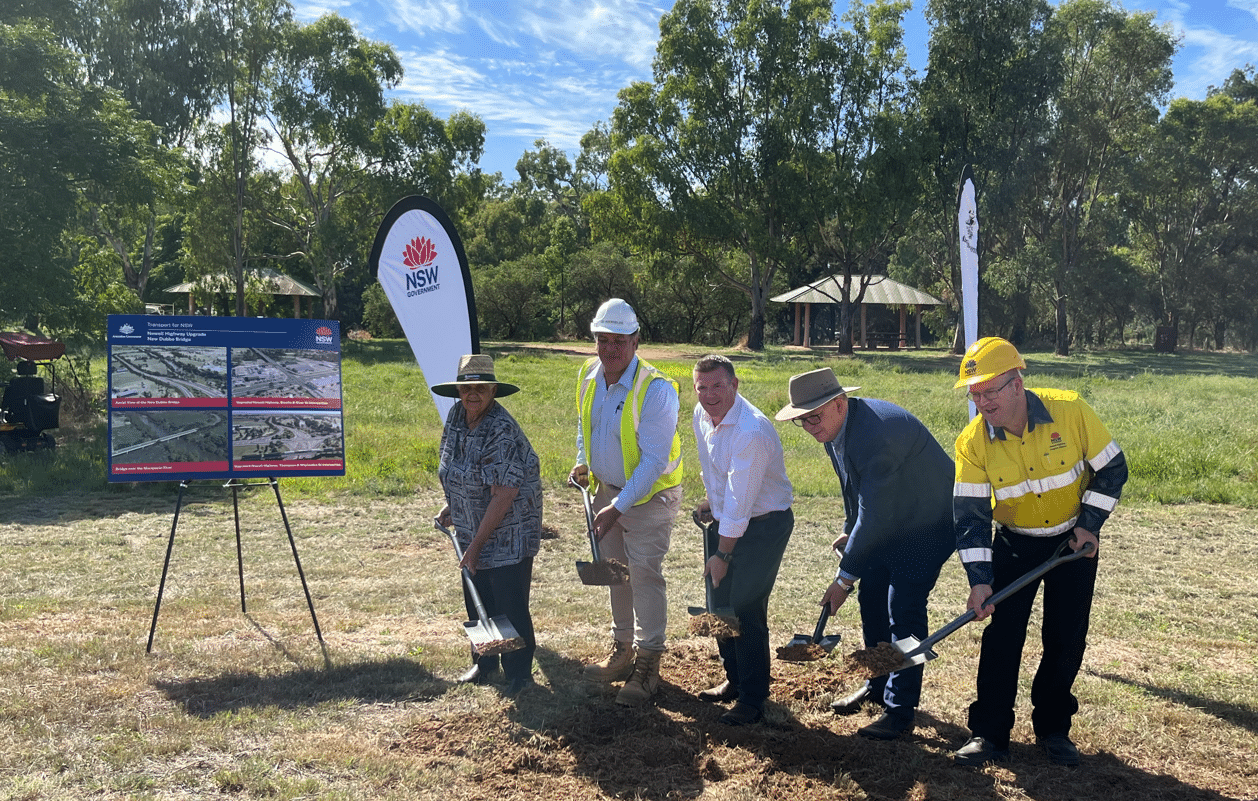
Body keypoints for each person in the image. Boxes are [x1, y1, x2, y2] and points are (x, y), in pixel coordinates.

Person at [950, 337, 1127, 767]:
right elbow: (971, 517)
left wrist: (1088, 527)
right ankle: (989, 734)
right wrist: (980, 581)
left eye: (990, 390)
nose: (982, 402)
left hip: (1072, 542)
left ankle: (1053, 729)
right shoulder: (972, 443)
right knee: (1002, 637)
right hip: (1015, 542)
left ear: (1017, 383)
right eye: (974, 393)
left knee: (1066, 637)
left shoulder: (1070, 410)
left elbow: (1113, 470)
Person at [774, 367, 954, 740]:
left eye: (815, 417)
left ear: (838, 403)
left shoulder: (876, 435)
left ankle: (900, 710)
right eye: (802, 421)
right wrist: (848, 527)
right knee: (871, 599)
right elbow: (856, 490)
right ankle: (877, 683)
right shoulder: (834, 429)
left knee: (902, 609)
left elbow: (876, 512)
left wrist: (844, 578)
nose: (810, 427)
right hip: (892, 516)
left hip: (929, 524)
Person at [570, 298, 683, 705]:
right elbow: (587, 426)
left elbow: (653, 461)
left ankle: (648, 661)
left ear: (636, 341)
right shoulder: (588, 374)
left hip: (649, 497)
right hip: (607, 492)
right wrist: (583, 462)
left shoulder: (656, 389)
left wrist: (618, 507)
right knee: (615, 572)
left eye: (619, 340)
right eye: (603, 339)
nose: (610, 349)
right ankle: (622, 651)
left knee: (645, 574)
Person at [691, 355, 794, 726]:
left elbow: (741, 504)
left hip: (765, 525)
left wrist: (722, 553)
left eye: (717, 386)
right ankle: (734, 680)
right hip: (730, 517)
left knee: (746, 606)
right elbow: (716, 472)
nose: (709, 395)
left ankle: (752, 699)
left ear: (735, 385)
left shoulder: (752, 431)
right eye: (701, 387)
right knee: (719, 603)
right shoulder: (702, 416)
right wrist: (709, 500)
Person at [435, 354, 543, 697]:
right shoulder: (455, 416)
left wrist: (477, 544)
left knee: (508, 601)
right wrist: (453, 505)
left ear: (493, 390)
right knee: (477, 595)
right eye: (467, 388)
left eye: (481, 388)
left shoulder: (501, 429)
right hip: (472, 526)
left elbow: (504, 494)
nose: (473, 394)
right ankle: (485, 663)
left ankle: (519, 675)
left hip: (508, 527)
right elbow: (457, 467)